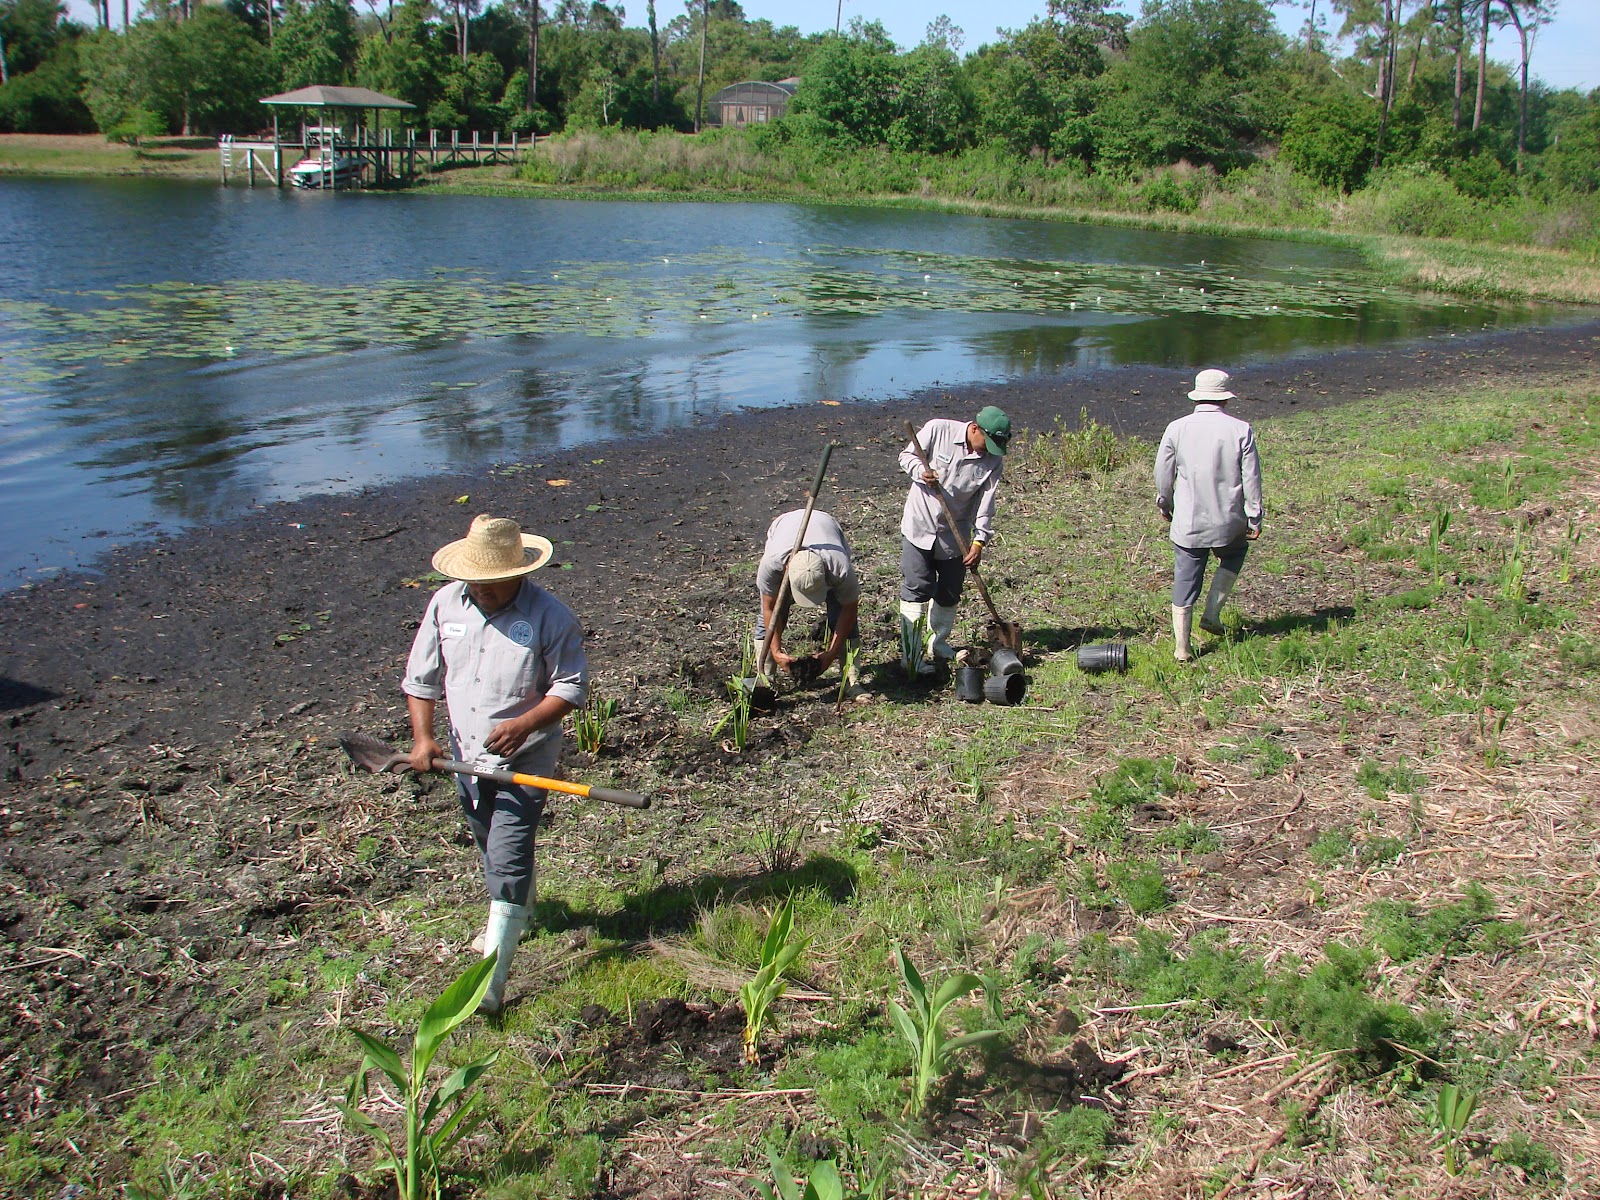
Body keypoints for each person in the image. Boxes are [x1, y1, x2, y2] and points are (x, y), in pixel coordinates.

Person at [402, 514, 588, 1014]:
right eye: (474, 582)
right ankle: (517, 915)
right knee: (488, 839)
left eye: (492, 583)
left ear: (519, 574)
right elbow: (421, 680)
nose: (481, 591)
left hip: (528, 758)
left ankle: (491, 983)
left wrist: (525, 724)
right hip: (466, 759)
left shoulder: (551, 617)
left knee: (507, 849)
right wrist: (424, 739)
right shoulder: (445, 605)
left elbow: (570, 688)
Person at [1154, 369, 1264, 662]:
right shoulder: (1241, 429)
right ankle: (1212, 614)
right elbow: (1251, 478)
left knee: (1186, 578)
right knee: (1235, 553)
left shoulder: (1176, 428)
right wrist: (1254, 516)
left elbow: (1163, 474)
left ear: (1196, 395)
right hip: (1228, 520)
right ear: (1225, 398)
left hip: (1188, 521)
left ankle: (1182, 647)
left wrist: (1165, 504)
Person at [897, 406, 1010, 674]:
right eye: (987, 443)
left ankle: (937, 643)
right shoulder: (938, 429)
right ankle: (911, 655)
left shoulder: (993, 460)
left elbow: (986, 503)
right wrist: (920, 473)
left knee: (949, 590)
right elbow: (906, 457)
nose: (987, 451)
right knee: (917, 588)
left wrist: (980, 541)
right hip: (919, 524)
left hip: (954, 532)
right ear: (974, 429)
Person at [754, 509, 862, 686]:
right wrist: (776, 651)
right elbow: (769, 608)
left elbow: (848, 611)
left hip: (825, 525)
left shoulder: (840, 568)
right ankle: (765, 680)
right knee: (769, 620)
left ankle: (852, 682)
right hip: (785, 527)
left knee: (843, 618)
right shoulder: (772, 565)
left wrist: (831, 654)